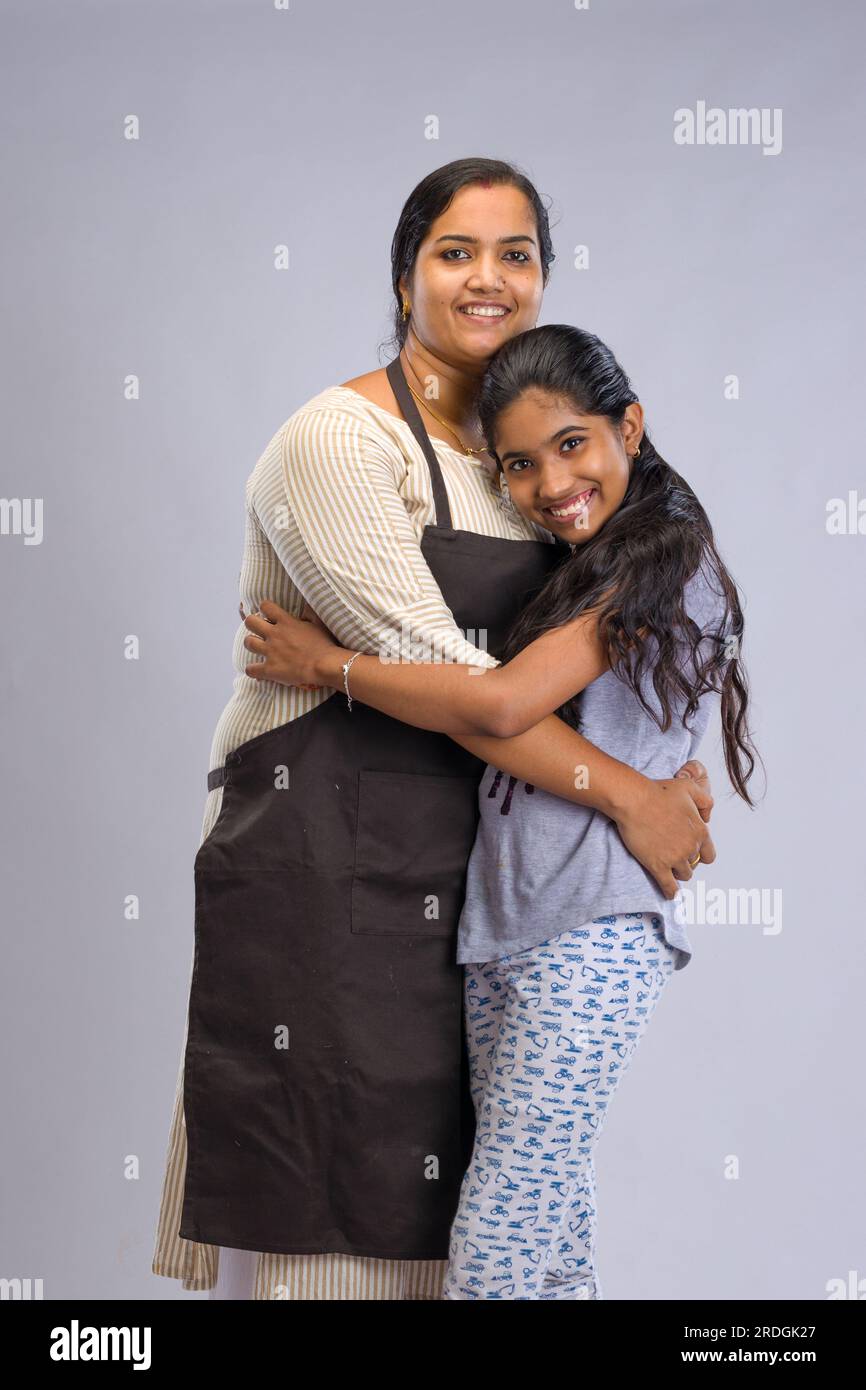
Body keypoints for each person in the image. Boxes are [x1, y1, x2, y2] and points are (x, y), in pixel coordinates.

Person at [152, 158, 717, 1303]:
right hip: (326, 854)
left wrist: (656, 770)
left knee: (473, 1221)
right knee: (327, 1220)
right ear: (403, 275)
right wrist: (628, 791)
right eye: (454, 252)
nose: (487, 279)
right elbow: (460, 679)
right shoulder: (341, 441)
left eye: (516, 254)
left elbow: (588, 667)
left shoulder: (531, 463)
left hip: (469, 886)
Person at [240, 322, 758, 1300]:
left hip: (595, 929)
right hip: (506, 932)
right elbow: (495, 720)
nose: (550, 483)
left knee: (493, 1250)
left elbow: (497, 704)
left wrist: (331, 667)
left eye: (571, 444)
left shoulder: (661, 552)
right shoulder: (586, 561)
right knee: (547, 1237)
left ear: (628, 427)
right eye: (518, 464)